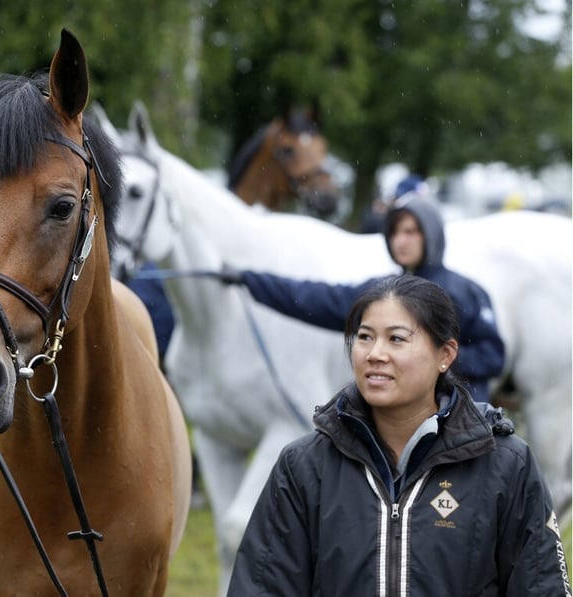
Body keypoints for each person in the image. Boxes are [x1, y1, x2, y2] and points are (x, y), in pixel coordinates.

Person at [227, 275, 569, 595]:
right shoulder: (304, 466)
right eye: (364, 337)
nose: (375, 354)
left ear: (445, 356)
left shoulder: (505, 464)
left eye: (396, 339)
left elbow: (542, 585)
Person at [219, 178, 504, 403]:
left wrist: (433, 361)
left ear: (431, 234)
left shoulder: (466, 292)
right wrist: (249, 280)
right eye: (394, 232)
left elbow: (492, 356)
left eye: (410, 232)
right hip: (400, 426)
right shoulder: (384, 293)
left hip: (460, 423)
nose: (400, 241)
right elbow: (316, 299)